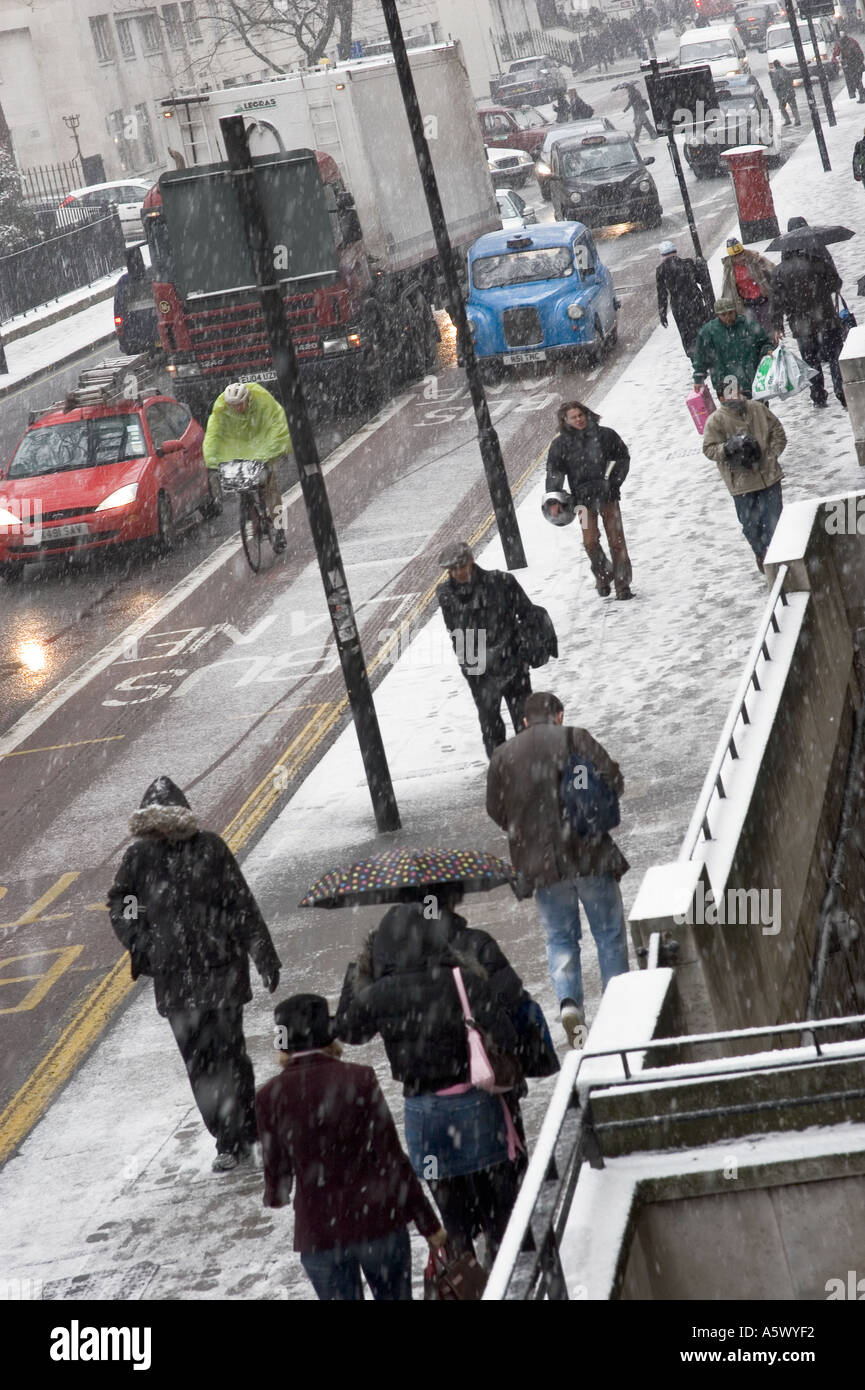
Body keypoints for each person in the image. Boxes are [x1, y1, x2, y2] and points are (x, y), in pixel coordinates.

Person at [107, 776, 281, 1172]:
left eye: (167, 820)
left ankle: (247, 1131)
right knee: (199, 1064)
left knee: (231, 1056)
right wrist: (139, 940)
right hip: (175, 982)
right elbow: (122, 901)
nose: (162, 829)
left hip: (222, 973)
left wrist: (263, 954)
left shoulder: (210, 849)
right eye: (154, 823)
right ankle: (225, 1139)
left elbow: (241, 902)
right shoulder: (138, 859)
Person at [336, 906, 523, 1264]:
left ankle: (464, 1269)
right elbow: (506, 1035)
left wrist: (354, 977)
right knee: (498, 1206)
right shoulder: (459, 979)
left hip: (423, 1119)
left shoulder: (378, 993)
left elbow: (349, 1030)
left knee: (446, 1198)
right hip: (474, 1107)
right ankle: (505, 1271)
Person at [255, 994, 446, 1300]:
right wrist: (428, 1224)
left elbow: (277, 1175)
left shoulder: (269, 1096)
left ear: (284, 1044)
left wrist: (275, 1193)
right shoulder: (359, 1079)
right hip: (379, 1223)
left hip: (319, 1234)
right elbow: (392, 1158)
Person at [486, 691, 630, 1048]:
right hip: (589, 854)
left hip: (542, 867)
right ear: (559, 716)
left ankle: (570, 1005)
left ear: (523, 721)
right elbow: (613, 780)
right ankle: (619, 1010)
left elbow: (495, 809)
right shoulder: (575, 738)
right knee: (608, 933)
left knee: (560, 938)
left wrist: (527, 832)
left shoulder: (503, 756)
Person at [436, 540, 536, 757]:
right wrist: (470, 666)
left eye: (460, 567)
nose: (457, 573)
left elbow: (527, 613)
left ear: (472, 561)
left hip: (512, 661)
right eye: (452, 570)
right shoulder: (445, 594)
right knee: (490, 725)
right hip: (480, 670)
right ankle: (501, 770)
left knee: (524, 721)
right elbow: (455, 632)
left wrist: (522, 650)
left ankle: (530, 768)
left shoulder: (501, 582)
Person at [544, 399, 633, 600]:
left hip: (608, 497)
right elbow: (554, 473)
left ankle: (623, 585)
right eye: (573, 417)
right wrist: (553, 499)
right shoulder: (559, 445)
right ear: (565, 420)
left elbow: (622, 458)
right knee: (590, 542)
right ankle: (603, 574)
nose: (579, 419)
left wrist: (613, 482)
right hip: (582, 503)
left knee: (616, 540)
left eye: (581, 415)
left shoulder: (606, 435)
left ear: (587, 414)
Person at [701, 382, 787, 571]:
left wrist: (771, 456)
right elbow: (708, 449)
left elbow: (778, 431)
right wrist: (727, 448)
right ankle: (762, 555)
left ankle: (779, 564)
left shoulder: (757, 409)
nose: (738, 396)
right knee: (752, 528)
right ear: (722, 398)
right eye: (732, 394)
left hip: (769, 479)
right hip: (742, 486)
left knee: (775, 523)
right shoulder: (715, 421)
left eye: (738, 392)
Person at [202, 381, 291, 552]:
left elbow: (277, 426)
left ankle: (280, 529)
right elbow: (213, 436)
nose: (236, 408)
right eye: (232, 406)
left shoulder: (262, 400)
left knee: (270, 489)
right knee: (240, 484)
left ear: (248, 399)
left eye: (239, 404)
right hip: (241, 449)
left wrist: (271, 453)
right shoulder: (221, 409)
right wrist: (212, 462)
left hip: (265, 445)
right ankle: (252, 512)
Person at [771, 243, 847, 409]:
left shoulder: (779, 272)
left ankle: (818, 395)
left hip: (801, 327)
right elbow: (836, 283)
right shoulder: (816, 262)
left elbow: (777, 303)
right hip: (826, 320)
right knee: (834, 356)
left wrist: (777, 326)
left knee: (811, 362)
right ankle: (840, 387)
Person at [691, 299, 774, 400]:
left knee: (758, 412)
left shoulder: (748, 325)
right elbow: (701, 357)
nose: (727, 317)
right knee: (733, 414)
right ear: (718, 315)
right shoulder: (708, 332)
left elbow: (764, 342)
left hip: (752, 381)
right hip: (726, 385)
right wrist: (698, 378)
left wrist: (768, 350)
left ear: (735, 311)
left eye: (730, 313)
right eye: (723, 315)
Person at [656, 241, 713, 358]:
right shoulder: (688, 263)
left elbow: (662, 294)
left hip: (679, 308)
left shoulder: (661, 270)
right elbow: (701, 279)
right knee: (701, 329)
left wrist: (662, 314)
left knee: (687, 335)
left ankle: (695, 359)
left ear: (662, 255)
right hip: (695, 302)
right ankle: (707, 354)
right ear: (675, 252)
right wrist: (702, 267)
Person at [720, 238, 775, 334]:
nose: (739, 258)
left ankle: (772, 347)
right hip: (747, 304)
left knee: (769, 330)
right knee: (753, 332)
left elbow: (773, 270)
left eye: (740, 254)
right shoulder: (729, 268)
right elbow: (728, 288)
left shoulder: (755, 259)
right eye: (735, 256)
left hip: (763, 301)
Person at [833, 29, 865, 102]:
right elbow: (836, 53)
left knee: (856, 81)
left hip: (854, 65)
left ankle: (862, 97)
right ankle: (862, 96)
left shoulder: (849, 43)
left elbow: (857, 53)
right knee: (857, 81)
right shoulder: (849, 42)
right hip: (855, 65)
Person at [770, 60, 800, 126]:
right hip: (790, 92)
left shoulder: (775, 74)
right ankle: (797, 120)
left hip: (782, 94)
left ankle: (787, 120)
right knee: (793, 107)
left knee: (782, 108)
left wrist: (778, 90)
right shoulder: (787, 71)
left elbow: (775, 85)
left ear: (775, 66)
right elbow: (791, 80)